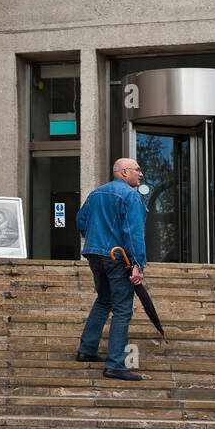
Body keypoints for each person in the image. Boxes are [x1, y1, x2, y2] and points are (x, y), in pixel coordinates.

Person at [75, 157, 147, 381]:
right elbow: (133, 233)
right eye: (136, 170)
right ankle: (115, 364)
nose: (140, 174)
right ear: (124, 172)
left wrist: (97, 239)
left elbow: (80, 222)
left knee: (104, 300)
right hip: (118, 257)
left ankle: (87, 349)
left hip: (95, 254)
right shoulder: (131, 196)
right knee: (123, 309)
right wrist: (137, 264)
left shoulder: (96, 193)